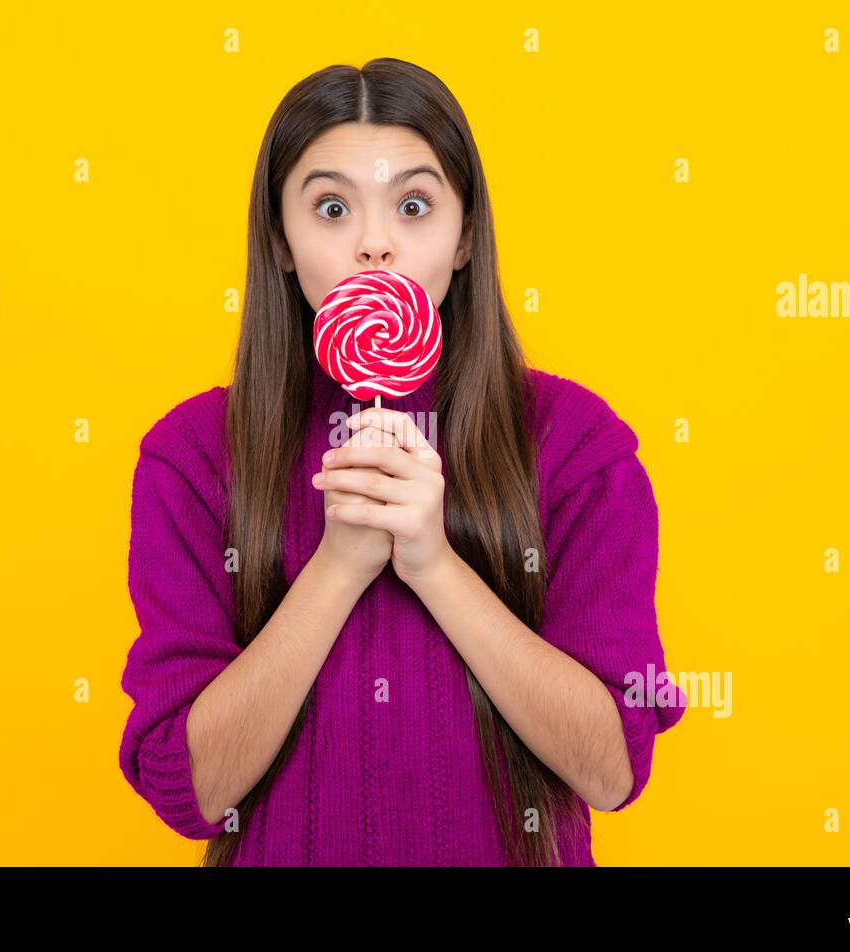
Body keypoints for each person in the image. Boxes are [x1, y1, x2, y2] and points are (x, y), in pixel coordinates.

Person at [119, 58, 685, 866]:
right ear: (280, 241)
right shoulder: (193, 457)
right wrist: (338, 566)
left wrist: (432, 563)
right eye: (331, 207)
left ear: (462, 240)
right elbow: (192, 790)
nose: (374, 244)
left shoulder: (576, 445)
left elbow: (611, 767)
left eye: (413, 206)